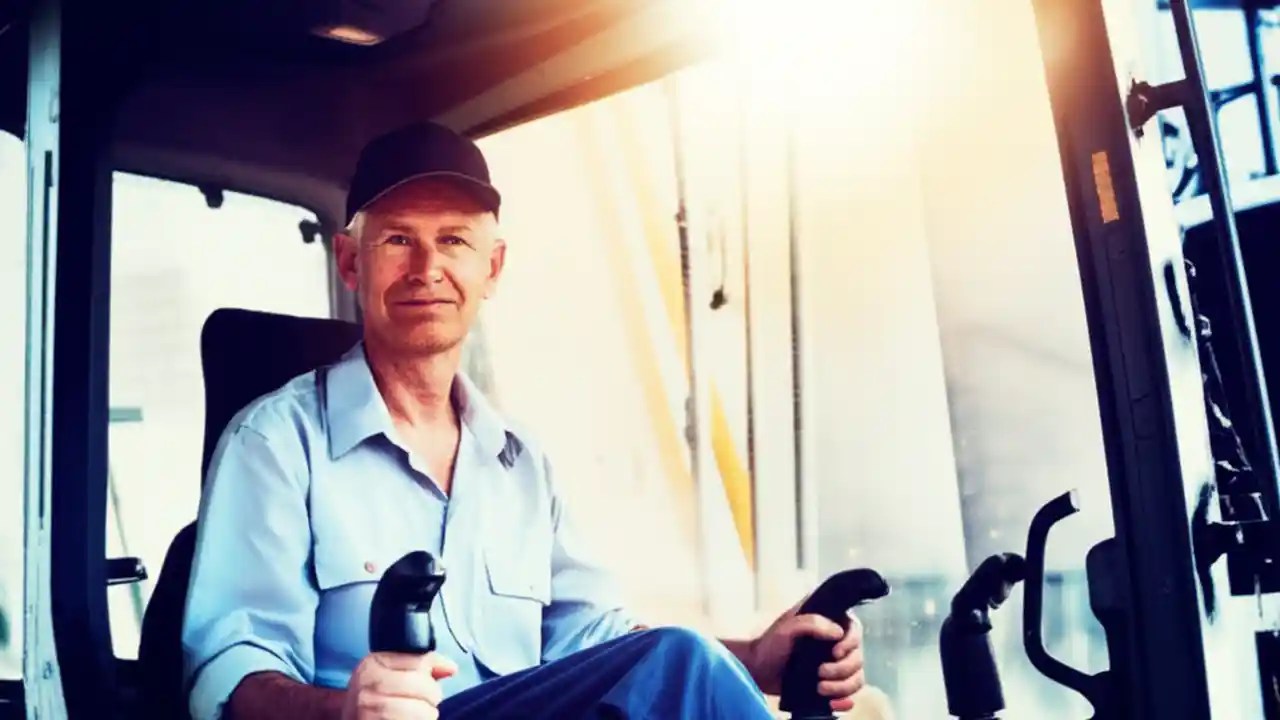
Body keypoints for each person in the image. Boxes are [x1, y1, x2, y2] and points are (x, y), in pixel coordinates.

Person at [181, 122, 868, 720]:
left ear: (492, 268)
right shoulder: (273, 445)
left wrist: (754, 659)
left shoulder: (522, 467)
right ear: (352, 263)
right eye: (398, 240)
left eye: (453, 241)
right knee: (679, 658)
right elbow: (233, 675)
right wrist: (346, 711)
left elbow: (597, 643)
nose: (427, 268)